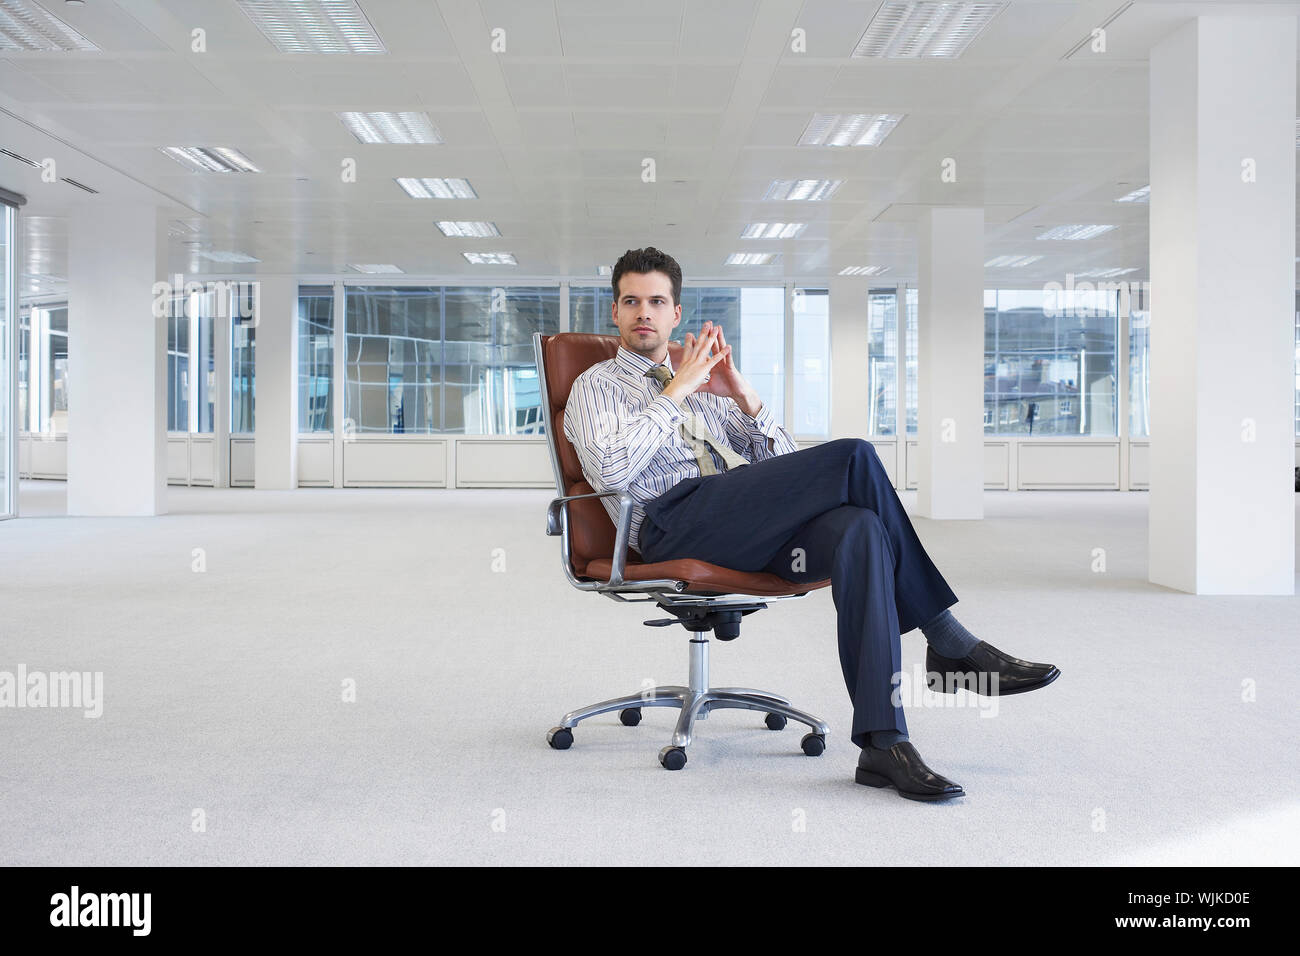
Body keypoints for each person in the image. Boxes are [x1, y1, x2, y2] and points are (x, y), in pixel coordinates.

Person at [563, 247, 1060, 801]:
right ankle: (947, 641)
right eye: (632, 302)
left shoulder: (705, 383)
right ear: (615, 312)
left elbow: (784, 465)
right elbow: (610, 466)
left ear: (675, 313)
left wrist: (745, 397)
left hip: (744, 523)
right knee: (852, 456)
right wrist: (676, 392)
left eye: (657, 302)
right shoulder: (596, 386)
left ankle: (883, 743)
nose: (644, 313)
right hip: (668, 523)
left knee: (861, 530)